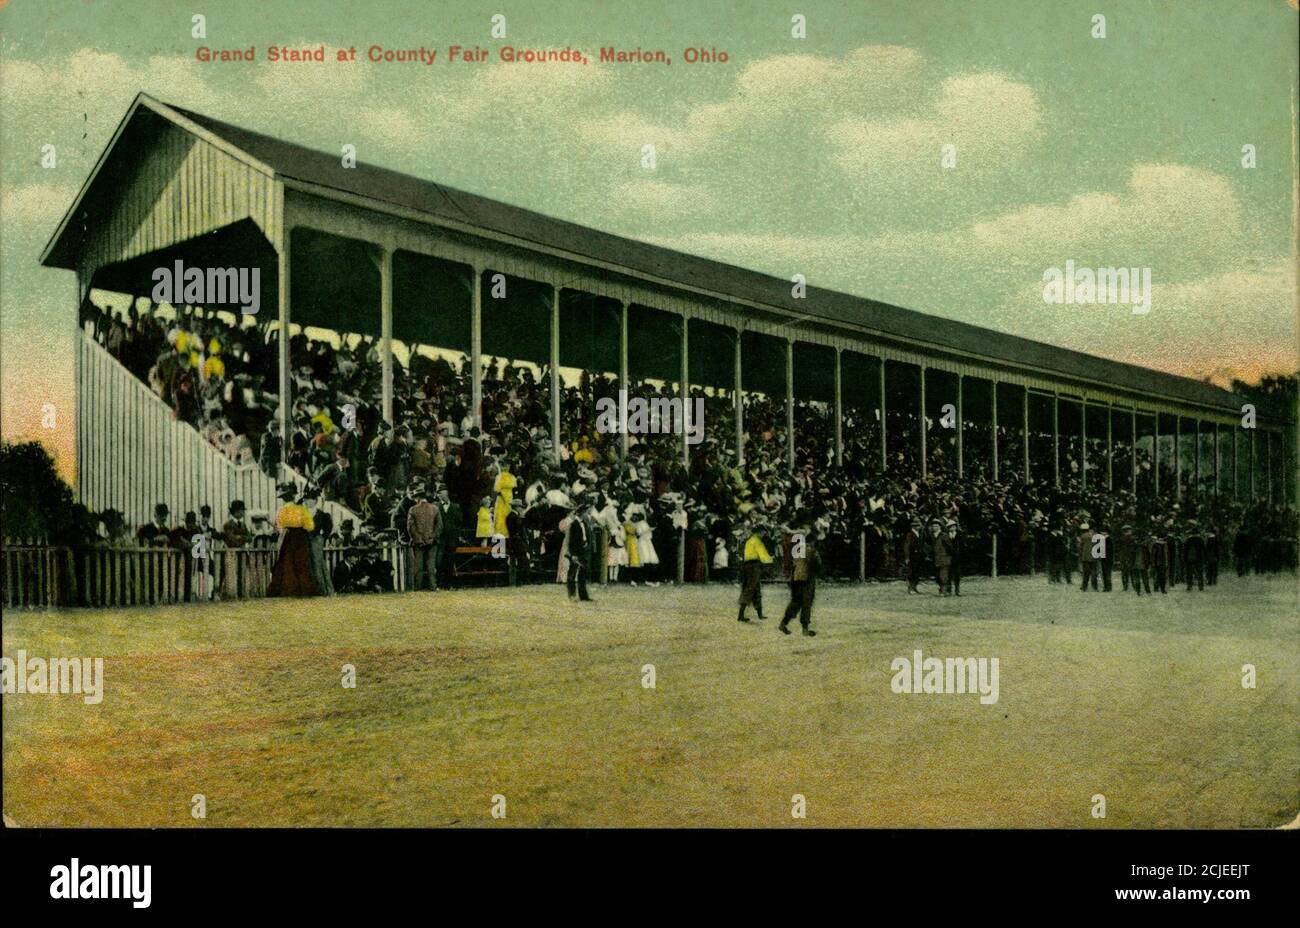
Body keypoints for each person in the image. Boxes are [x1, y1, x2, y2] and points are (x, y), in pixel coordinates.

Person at [267, 484, 320, 597]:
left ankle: (289, 589)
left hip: (288, 537)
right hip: (301, 538)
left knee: (287, 562)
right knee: (302, 562)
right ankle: (304, 589)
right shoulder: (302, 509)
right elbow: (310, 526)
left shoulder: (282, 510)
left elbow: (280, 527)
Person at [779, 523, 819, 637]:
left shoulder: (797, 548)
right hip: (807, 579)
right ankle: (805, 629)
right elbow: (817, 566)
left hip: (795, 578)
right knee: (806, 603)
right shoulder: (812, 550)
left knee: (795, 602)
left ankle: (784, 623)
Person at [407, 485, 442, 592]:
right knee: (431, 566)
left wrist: (419, 539)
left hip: (418, 543)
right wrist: (432, 537)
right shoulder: (435, 508)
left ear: (417, 498)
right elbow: (439, 526)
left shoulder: (413, 509)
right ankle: (432, 586)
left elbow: (410, 527)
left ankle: (418, 587)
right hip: (432, 542)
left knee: (418, 567)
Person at [737, 518, 771, 622]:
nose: (763, 535)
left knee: (753, 588)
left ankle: (753, 614)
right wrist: (770, 560)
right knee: (752, 589)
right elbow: (764, 556)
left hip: (747, 566)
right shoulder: (757, 541)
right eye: (763, 533)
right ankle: (741, 615)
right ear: (759, 532)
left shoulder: (749, 540)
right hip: (754, 566)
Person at [566, 500, 593, 602]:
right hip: (576, 552)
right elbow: (571, 541)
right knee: (572, 574)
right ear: (582, 513)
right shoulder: (574, 524)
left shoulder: (584, 524)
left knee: (582, 574)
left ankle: (583, 596)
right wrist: (572, 554)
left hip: (583, 550)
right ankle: (572, 595)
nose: (587, 514)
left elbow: (585, 537)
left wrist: (587, 545)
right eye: (586, 512)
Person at [902, 520, 924, 593]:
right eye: (918, 525)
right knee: (912, 572)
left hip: (918, 556)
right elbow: (907, 546)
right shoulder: (910, 534)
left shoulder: (919, 533)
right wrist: (907, 557)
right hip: (912, 556)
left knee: (917, 572)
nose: (920, 527)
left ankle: (914, 587)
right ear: (914, 527)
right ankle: (910, 588)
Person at [945, 521, 962, 596]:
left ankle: (957, 590)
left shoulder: (959, 535)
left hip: (957, 557)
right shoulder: (946, 536)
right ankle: (949, 590)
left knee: (957, 574)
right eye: (950, 527)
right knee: (948, 573)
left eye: (954, 526)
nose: (952, 528)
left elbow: (962, 545)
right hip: (948, 556)